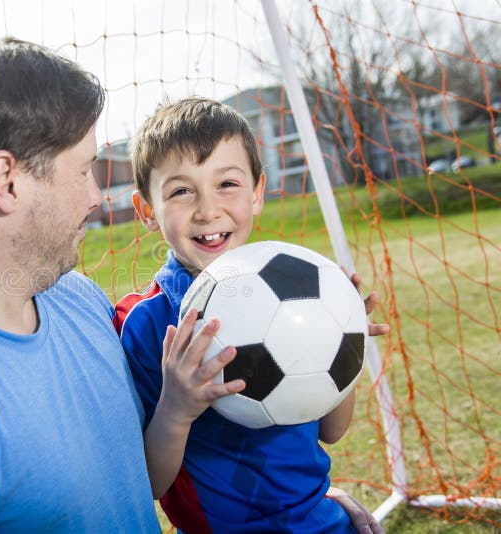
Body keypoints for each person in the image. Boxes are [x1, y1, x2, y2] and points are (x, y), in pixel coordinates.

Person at [0, 38, 382, 533]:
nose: (94, 198)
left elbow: (145, 478)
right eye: (82, 170)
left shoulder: (77, 304)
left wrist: (300, 510)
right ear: (7, 179)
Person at [113, 97, 389, 533]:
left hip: (322, 524)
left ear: (257, 191)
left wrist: (343, 343)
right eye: (182, 191)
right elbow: (147, 482)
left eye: (227, 184)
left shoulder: (304, 287)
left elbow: (331, 432)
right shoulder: (144, 322)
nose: (208, 210)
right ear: (147, 210)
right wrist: (176, 408)